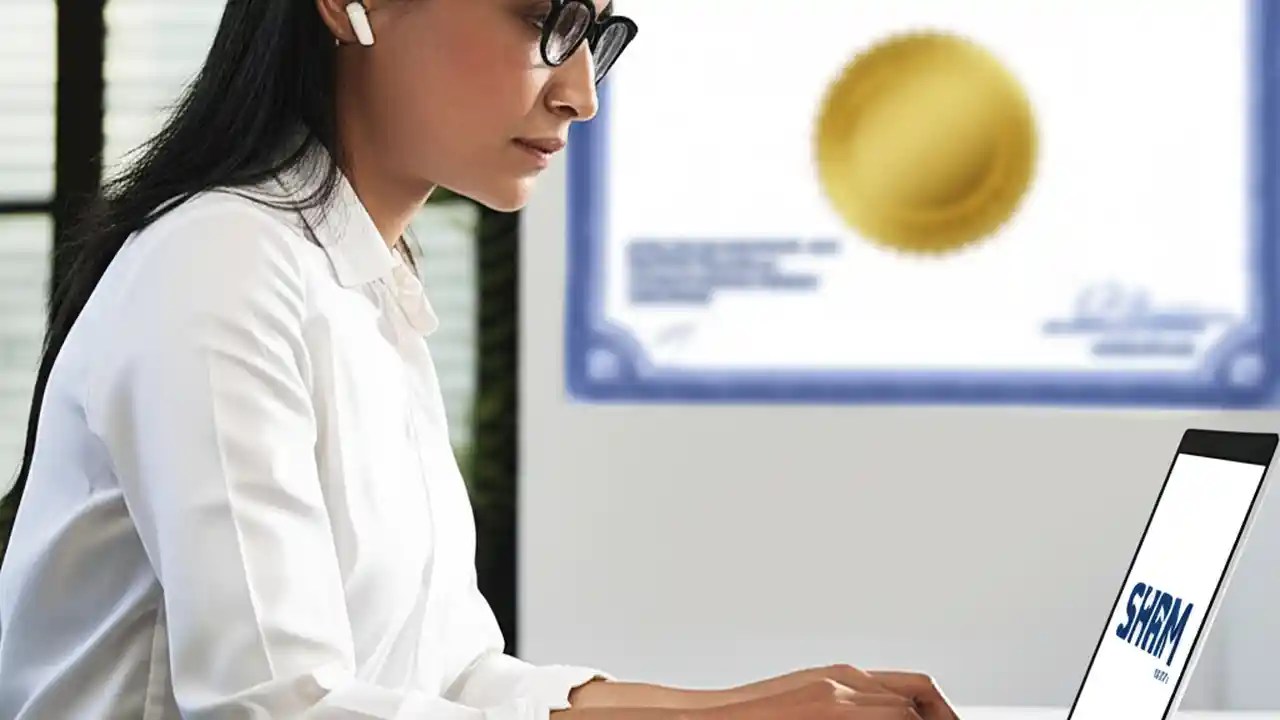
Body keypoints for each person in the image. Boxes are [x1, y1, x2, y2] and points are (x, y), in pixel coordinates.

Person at [0, 1, 962, 718]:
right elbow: (274, 705)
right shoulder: (220, 266)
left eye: (599, 39)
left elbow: (450, 676)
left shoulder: (363, 282)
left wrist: (740, 706)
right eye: (547, 21)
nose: (581, 93)